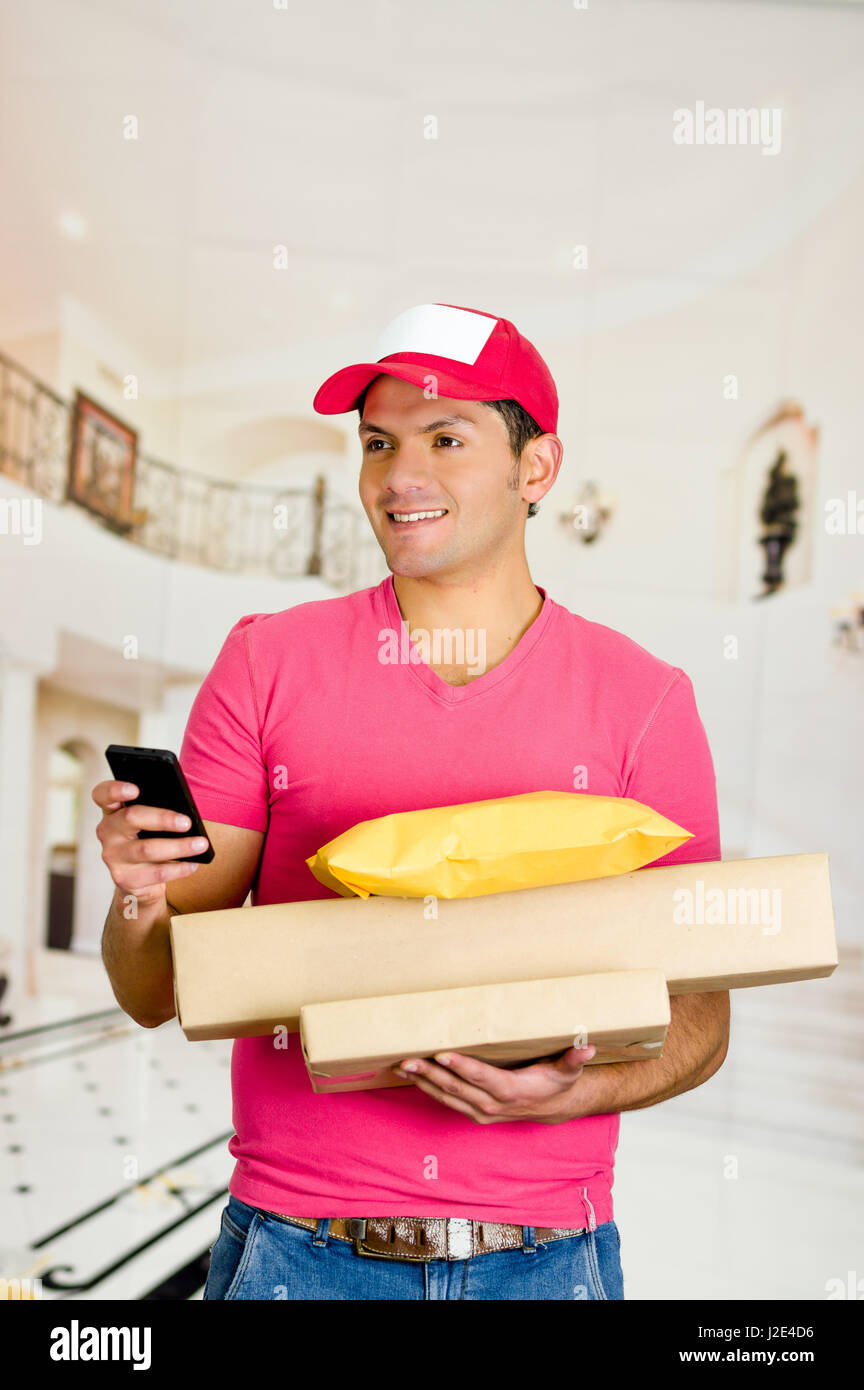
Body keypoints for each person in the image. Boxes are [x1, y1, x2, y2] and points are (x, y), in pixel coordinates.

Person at [94, 302, 728, 1301]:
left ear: (537, 469)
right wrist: (138, 894)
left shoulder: (644, 701)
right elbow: (156, 990)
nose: (399, 476)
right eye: (378, 442)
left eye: (445, 436)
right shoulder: (269, 660)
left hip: (548, 1257)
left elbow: (702, 1020)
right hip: (297, 1248)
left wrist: (577, 1090)